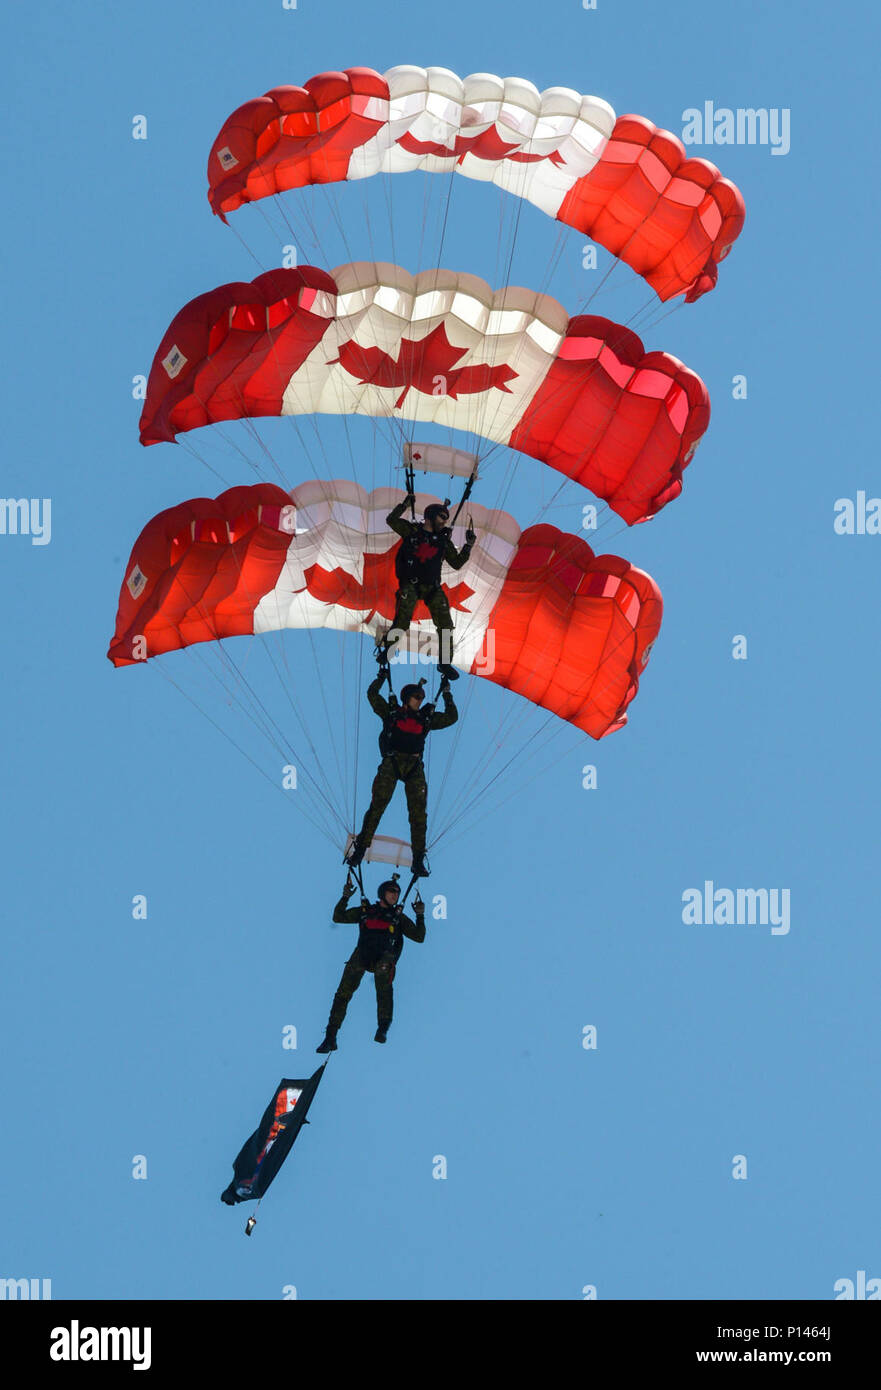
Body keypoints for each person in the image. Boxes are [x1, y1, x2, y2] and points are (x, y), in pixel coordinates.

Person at [346, 669, 457, 877]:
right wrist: (380, 677)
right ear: (407, 698)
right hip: (393, 761)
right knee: (378, 806)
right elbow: (372, 695)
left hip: (414, 766)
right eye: (417, 697)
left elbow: (452, 717)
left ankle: (417, 860)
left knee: (418, 814)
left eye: (422, 697)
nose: (421, 700)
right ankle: (360, 850)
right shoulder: (392, 713)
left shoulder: (426, 719)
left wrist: (448, 693)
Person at [316, 877, 425, 1050]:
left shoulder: (398, 917)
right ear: (383, 893)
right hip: (362, 955)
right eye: (391, 891)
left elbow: (419, 937)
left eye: (397, 892)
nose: (395, 895)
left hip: (383, 958)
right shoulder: (366, 911)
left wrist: (420, 915)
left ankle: (382, 1028)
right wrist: (345, 897)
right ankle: (330, 1036)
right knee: (342, 994)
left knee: (384, 991)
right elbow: (338, 917)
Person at [381, 494, 477, 680]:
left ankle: (445, 662)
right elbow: (391, 520)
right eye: (442, 517)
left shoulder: (443, 542)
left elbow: (456, 563)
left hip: (432, 588)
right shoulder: (412, 531)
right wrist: (404, 505)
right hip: (411, 584)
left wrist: (468, 545)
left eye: (446, 519)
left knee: (446, 625)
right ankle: (389, 650)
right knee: (402, 619)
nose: (444, 522)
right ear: (431, 516)